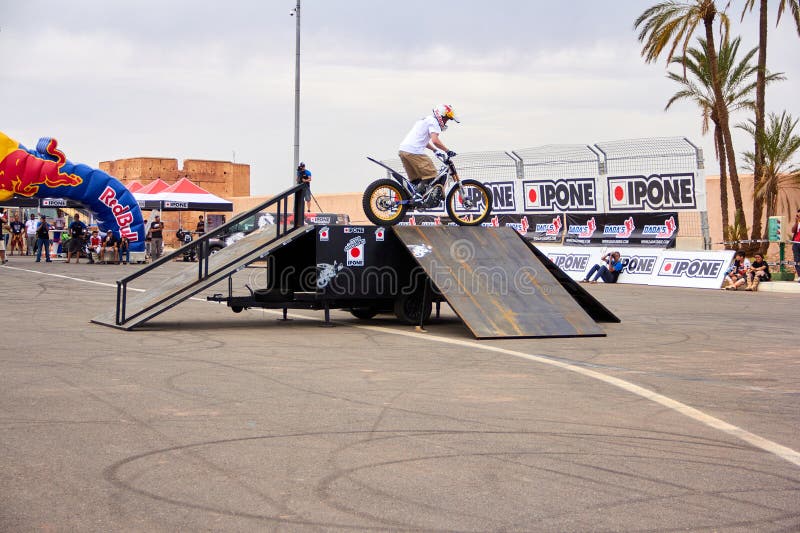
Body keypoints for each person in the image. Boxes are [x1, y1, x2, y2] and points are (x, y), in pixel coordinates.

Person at [398, 104, 459, 195]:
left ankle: (414, 198)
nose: (446, 122)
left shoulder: (426, 120)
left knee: (416, 180)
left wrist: (435, 150)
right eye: (446, 119)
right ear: (441, 115)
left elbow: (422, 140)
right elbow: (435, 140)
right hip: (414, 152)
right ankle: (418, 197)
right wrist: (447, 151)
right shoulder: (434, 122)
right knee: (432, 174)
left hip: (403, 151)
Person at [791, 208, 800, 282]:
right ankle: (799, 275)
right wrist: (796, 221)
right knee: (796, 260)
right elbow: (793, 230)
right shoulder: (798, 222)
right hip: (796, 243)